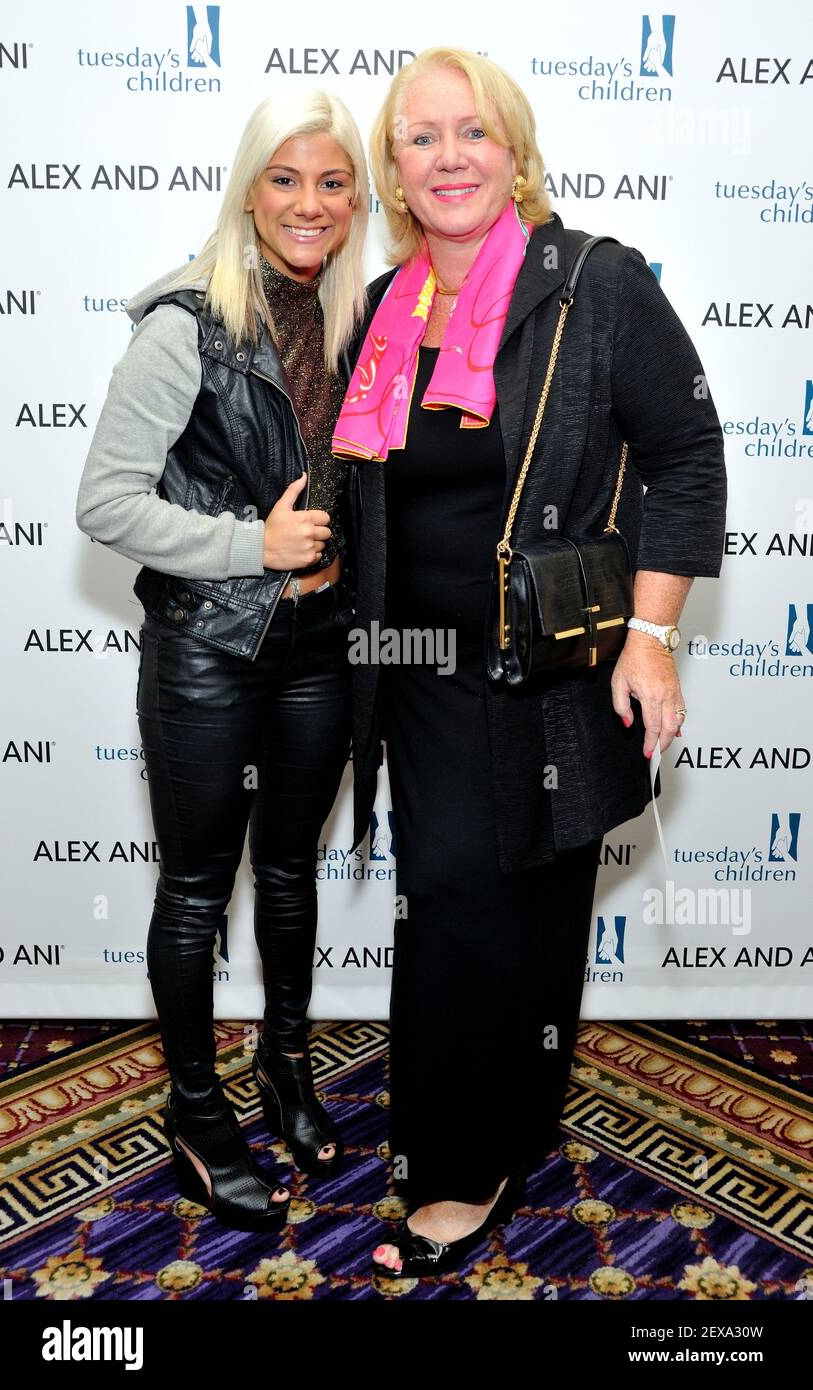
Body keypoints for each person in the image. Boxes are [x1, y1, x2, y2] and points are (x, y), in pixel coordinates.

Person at [332, 48, 727, 1277]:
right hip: (410, 660)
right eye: (419, 138)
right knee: (452, 896)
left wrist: (651, 638)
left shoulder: (589, 283)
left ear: (514, 151)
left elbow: (686, 456)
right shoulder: (389, 306)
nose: (447, 157)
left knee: (514, 898)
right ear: (393, 168)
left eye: (471, 133)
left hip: (549, 660)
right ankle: (456, 1149)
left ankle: (485, 1147)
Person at [75, 89, 369, 1233]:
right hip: (208, 647)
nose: (309, 203)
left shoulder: (361, 322)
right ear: (250, 187)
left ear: (355, 201)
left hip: (322, 647)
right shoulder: (183, 322)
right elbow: (105, 501)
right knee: (198, 888)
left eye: (332, 182)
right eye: (286, 179)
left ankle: (285, 1071)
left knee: (287, 869)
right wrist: (250, 545)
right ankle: (197, 1114)